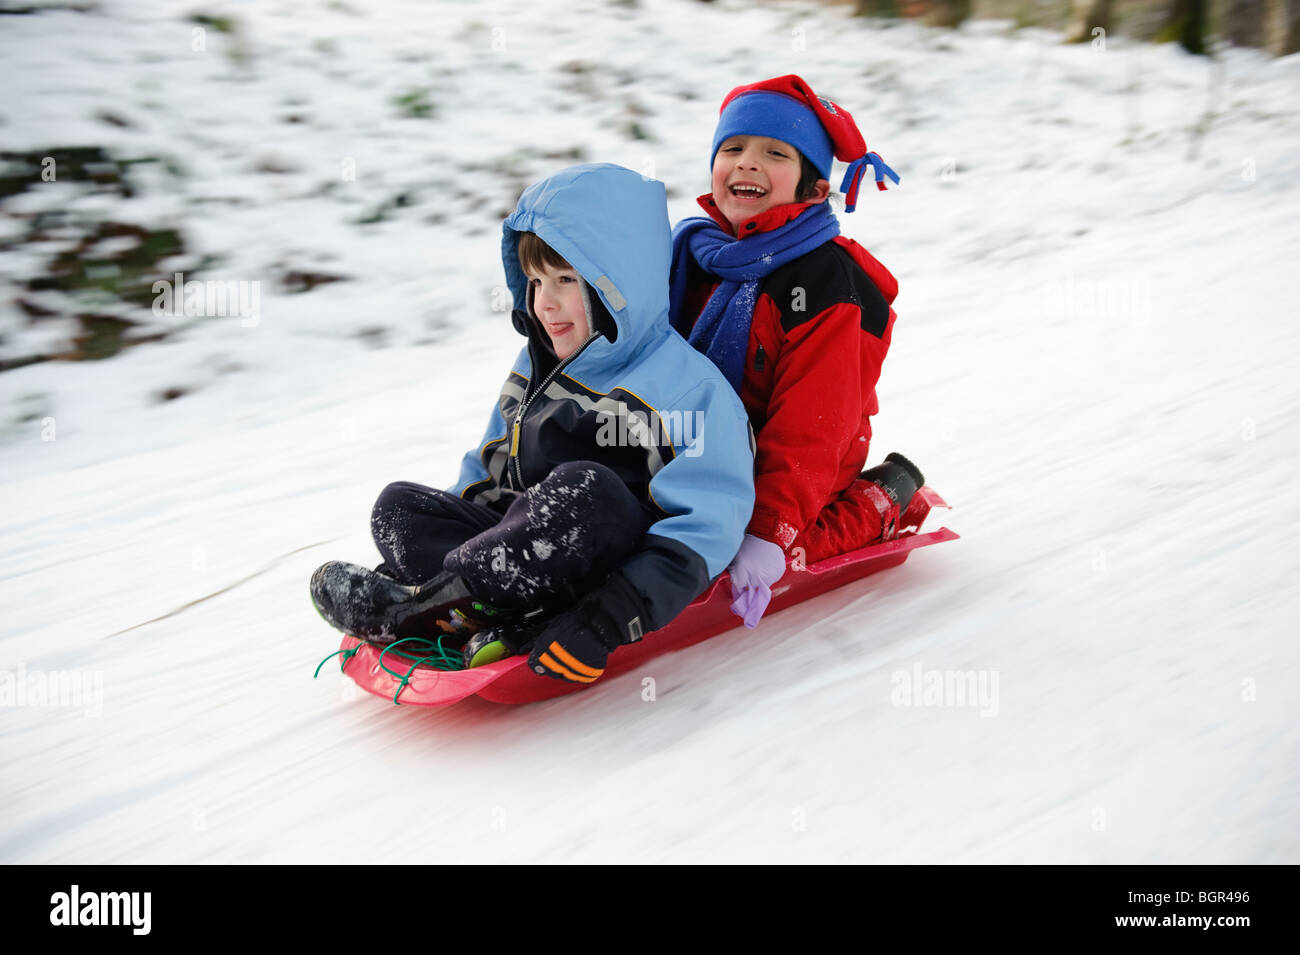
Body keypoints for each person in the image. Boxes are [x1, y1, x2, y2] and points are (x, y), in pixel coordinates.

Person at [310, 163, 755, 684]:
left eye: (567, 279)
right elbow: (491, 471)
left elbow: (705, 531)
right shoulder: (537, 362)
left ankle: (431, 609)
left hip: (609, 567)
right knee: (399, 506)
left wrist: (609, 617)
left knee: (585, 490)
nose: (545, 302)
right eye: (536, 279)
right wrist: (435, 546)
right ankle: (453, 602)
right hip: (523, 556)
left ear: (620, 287)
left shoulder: (688, 390)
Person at [669, 74, 926, 630]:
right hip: (701, 450)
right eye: (732, 149)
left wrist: (769, 530)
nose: (746, 163)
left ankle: (884, 497)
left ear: (814, 188)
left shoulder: (829, 282)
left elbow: (817, 424)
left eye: (774, 153)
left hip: (801, 465)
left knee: (784, 548)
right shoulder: (694, 252)